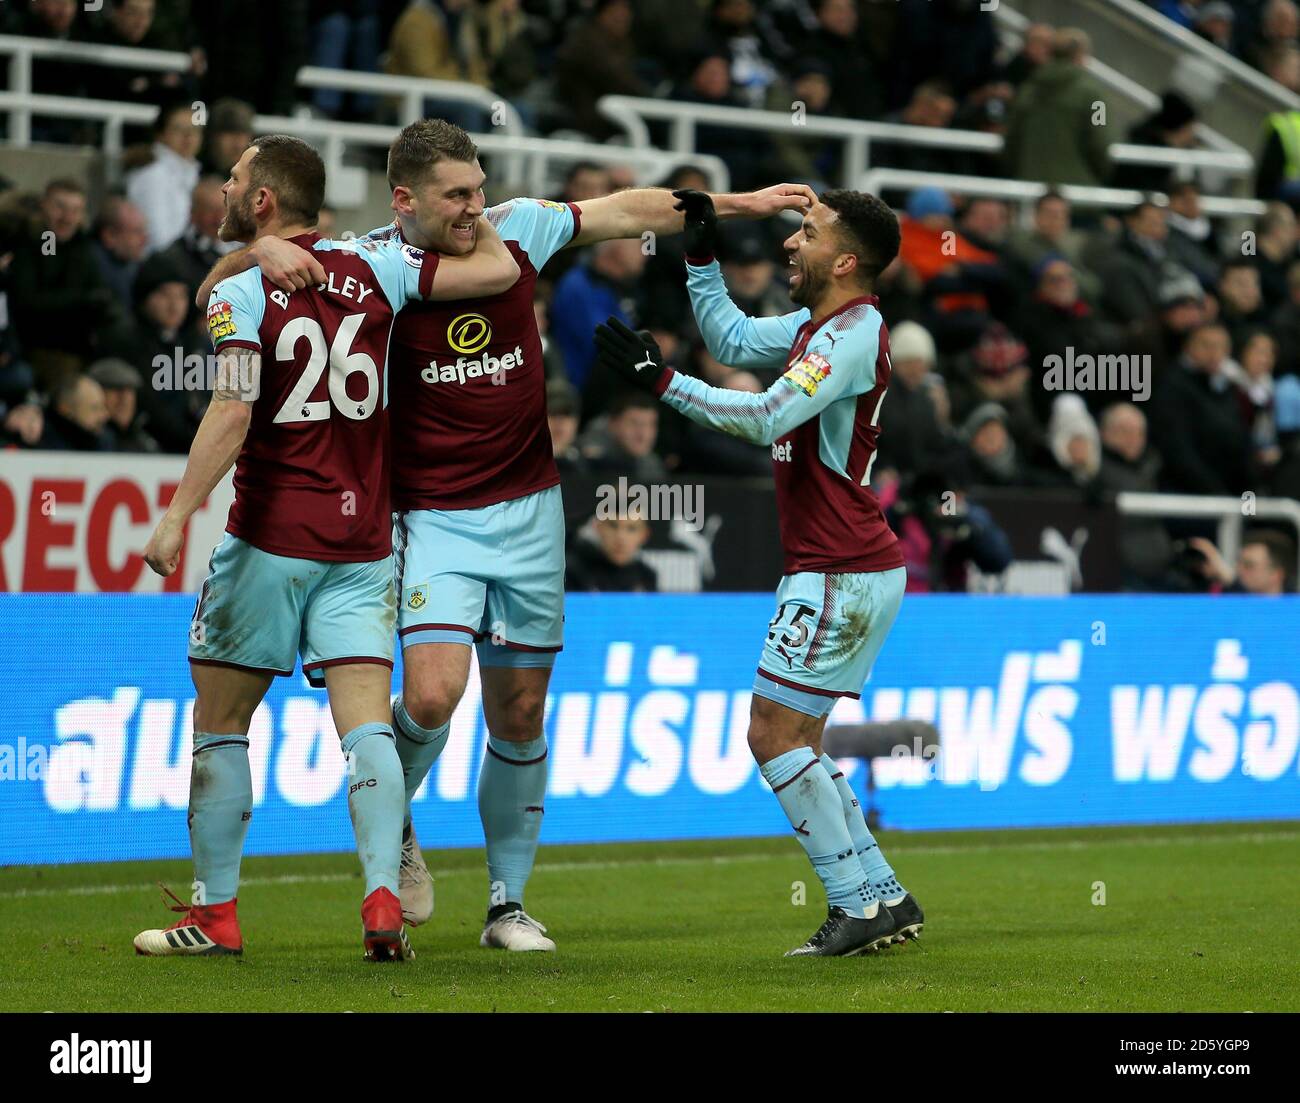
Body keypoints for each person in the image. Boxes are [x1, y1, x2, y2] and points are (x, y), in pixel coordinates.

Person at [196, 118, 815, 952]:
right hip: (430, 514)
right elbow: (253, 280)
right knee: (430, 696)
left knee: (520, 711)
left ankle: (506, 904)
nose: (476, 206)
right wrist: (254, 252)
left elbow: (622, 209)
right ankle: (396, 829)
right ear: (404, 200)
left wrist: (739, 203)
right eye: (457, 195)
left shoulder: (517, 224)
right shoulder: (373, 259)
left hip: (529, 509)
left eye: (480, 186)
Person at [131, 133, 520, 962]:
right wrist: (477, 213)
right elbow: (496, 272)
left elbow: (233, 408)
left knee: (221, 723)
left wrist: (174, 516)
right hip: (364, 541)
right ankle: (383, 901)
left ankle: (217, 915)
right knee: (366, 727)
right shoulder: (374, 263)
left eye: (236, 180)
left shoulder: (242, 289)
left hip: (269, 537)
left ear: (263, 199)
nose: (227, 187)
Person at [592, 188, 924, 956]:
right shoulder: (825, 326)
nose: (789, 245)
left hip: (839, 566)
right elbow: (735, 339)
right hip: (846, 562)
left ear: (845, 260)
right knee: (799, 739)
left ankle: (853, 903)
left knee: (771, 736)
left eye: (806, 234)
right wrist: (701, 256)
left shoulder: (847, 336)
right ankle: (882, 893)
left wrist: (665, 384)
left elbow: (769, 415)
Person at [125, 101, 203, 253]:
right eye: (179, 129)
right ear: (161, 134)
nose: (188, 136)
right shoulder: (152, 176)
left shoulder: (192, 173)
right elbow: (158, 240)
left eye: (194, 129)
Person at [565, 511, 660, 592]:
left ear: (644, 535)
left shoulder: (647, 577)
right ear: (598, 527)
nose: (620, 537)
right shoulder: (573, 572)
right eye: (613, 526)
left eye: (631, 528)